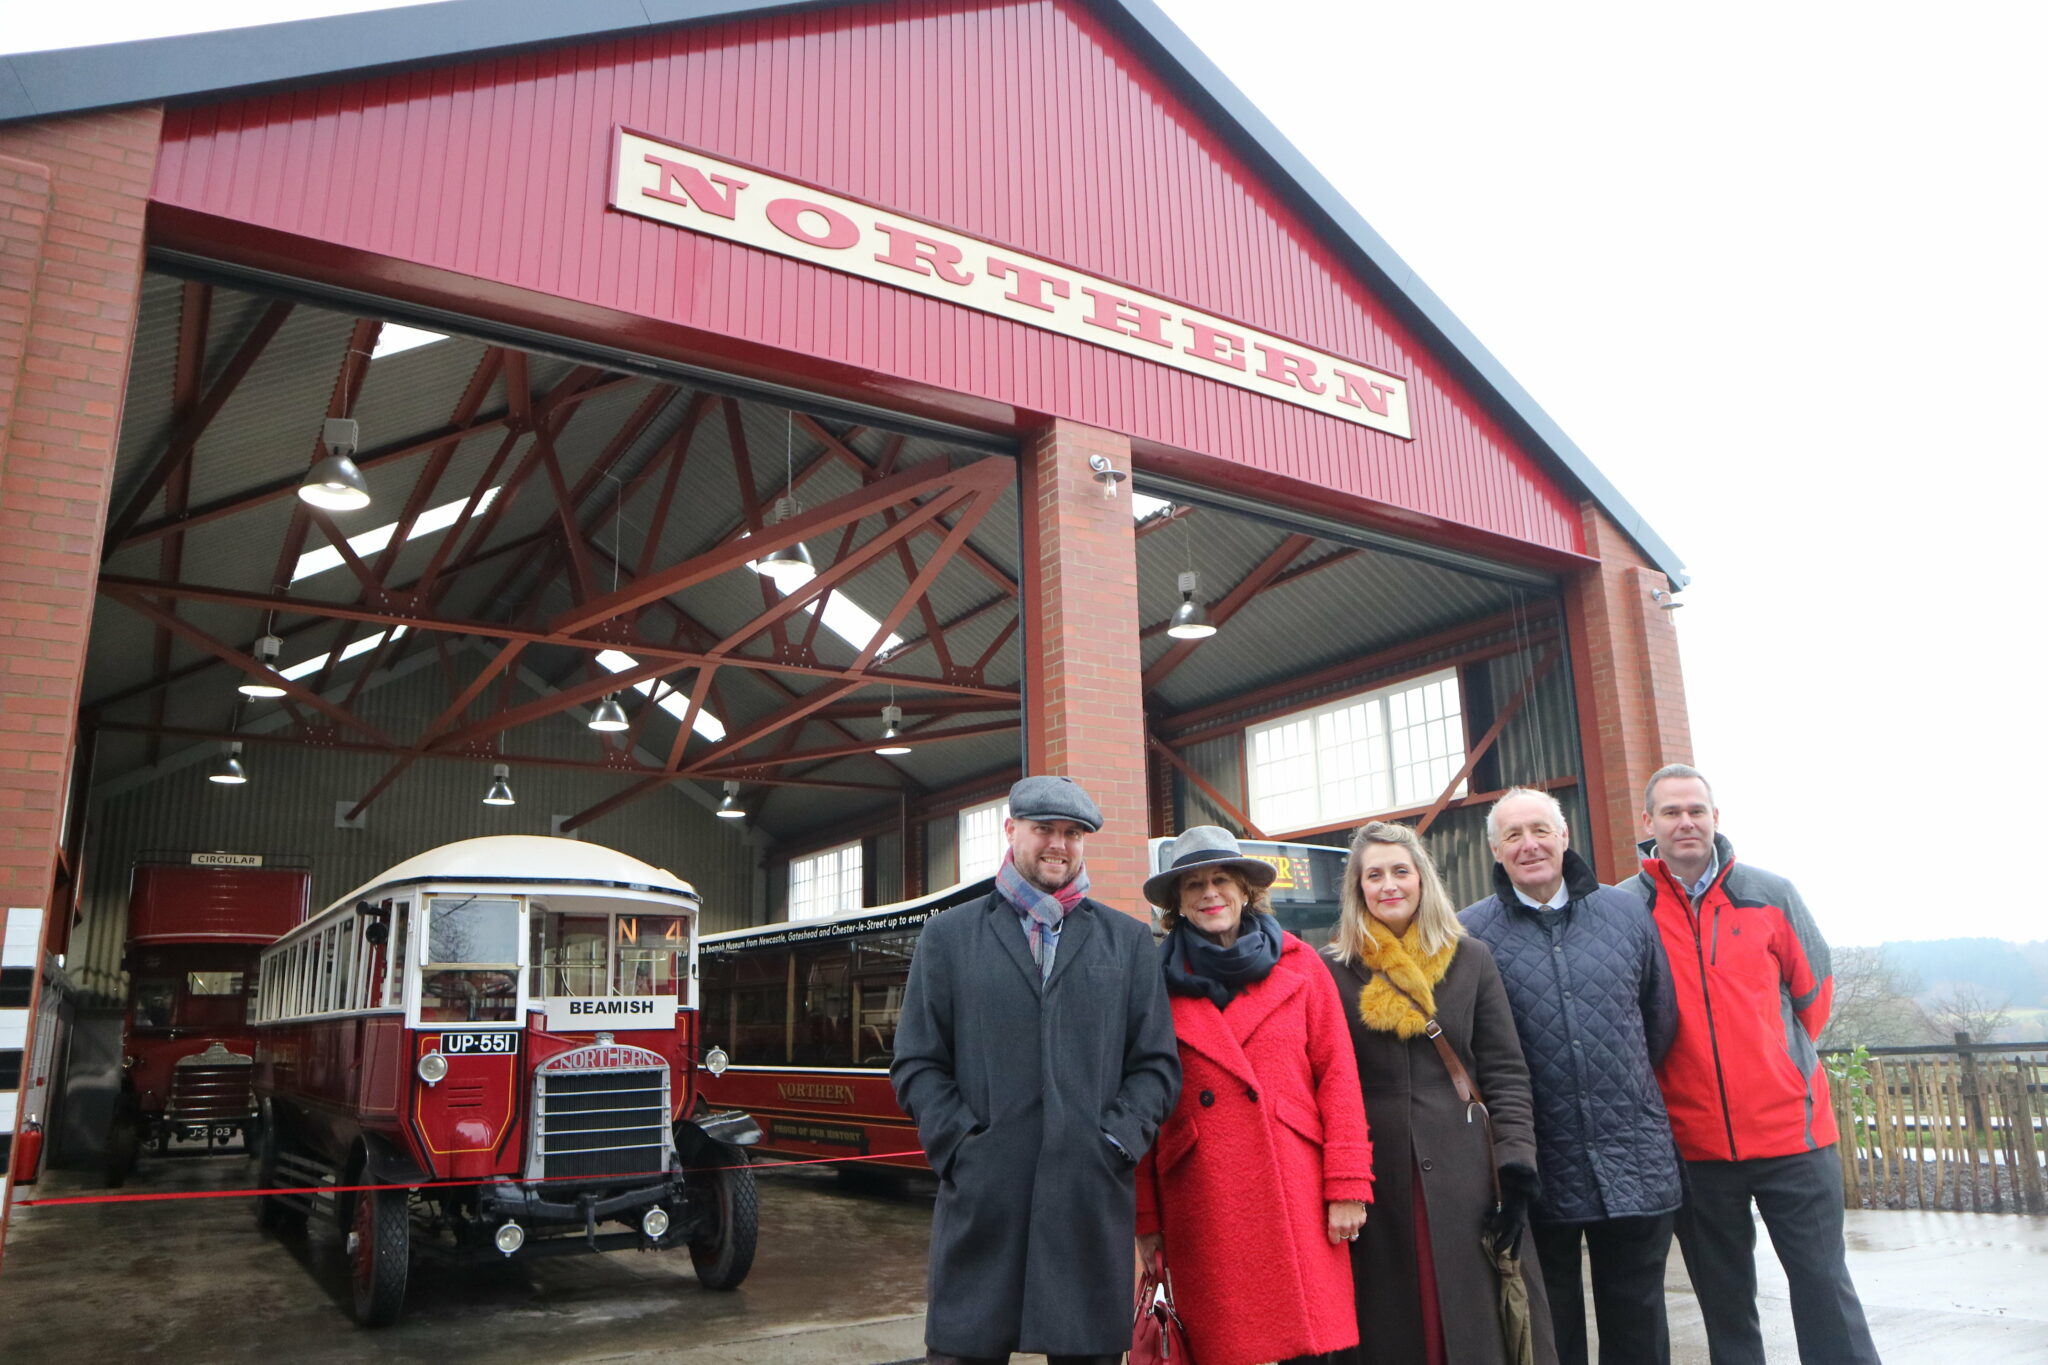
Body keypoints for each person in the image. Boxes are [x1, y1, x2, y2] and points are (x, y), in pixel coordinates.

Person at [890, 775, 1181, 1365]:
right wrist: (962, 1147)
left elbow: (1155, 1066)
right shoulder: (949, 937)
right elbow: (917, 1062)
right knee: (962, 1352)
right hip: (983, 1199)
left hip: (1087, 1199)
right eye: (1044, 829)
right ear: (1010, 830)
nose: (1059, 844)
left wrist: (1116, 1142)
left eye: (1073, 833)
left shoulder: (1127, 943)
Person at [1630, 764, 1880, 1365]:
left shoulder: (1772, 894)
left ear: (1717, 817)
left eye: (1696, 810)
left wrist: (1779, 1065)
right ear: (1648, 822)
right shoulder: (1623, 907)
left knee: (1823, 1287)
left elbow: (1813, 993)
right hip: (1695, 1148)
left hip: (1793, 1136)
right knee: (1725, 1303)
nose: (1685, 822)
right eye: (1671, 812)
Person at [1134, 826, 1374, 1365]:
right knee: (1224, 1347)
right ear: (1177, 904)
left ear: (1246, 890)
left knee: (1303, 1349)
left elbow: (1338, 1077)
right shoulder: (1151, 983)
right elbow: (1140, 1103)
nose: (1209, 893)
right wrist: (1145, 1219)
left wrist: (1349, 1184)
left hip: (1298, 1186)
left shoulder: (1301, 965)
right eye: (1192, 885)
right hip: (1200, 1195)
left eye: (1221, 878)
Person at [1461, 788, 1682, 1365]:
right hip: (1537, 1166)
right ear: (1495, 849)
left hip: (1633, 1155)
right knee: (1551, 1329)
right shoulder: (1470, 935)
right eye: (1513, 835)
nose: (1529, 844)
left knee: (1638, 1322)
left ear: (1564, 837)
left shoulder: (1626, 912)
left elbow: (1658, 1019)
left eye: (1540, 830)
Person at [1324, 819, 1557, 1365]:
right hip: (1374, 1172)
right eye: (1374, 875)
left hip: (1466, 1171)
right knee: (1391, 1322)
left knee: (1474, 1319)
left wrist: (1517, 1163)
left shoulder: (1470, 958)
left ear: (1422, 879)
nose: (1389, 885)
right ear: (1357, 889)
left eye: (1400, 871)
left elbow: (1505, 1072)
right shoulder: (1330, 969)